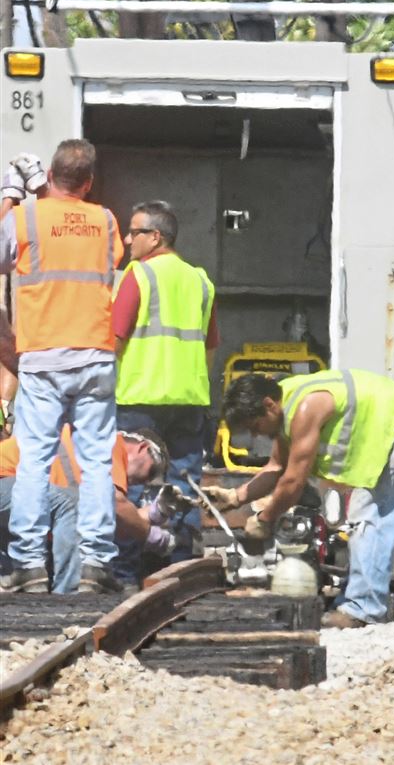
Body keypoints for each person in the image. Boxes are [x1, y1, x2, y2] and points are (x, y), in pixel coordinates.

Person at [207, 370, 394, 628]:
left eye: (254, 427)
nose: (256, 435)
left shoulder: (304, 408)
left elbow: (293, 482)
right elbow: (276, 467)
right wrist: (236, 497)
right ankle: (355, 602)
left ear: (268, 406)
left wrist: (265, 519)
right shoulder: (286, 406)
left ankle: (364, 611)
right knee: (364, 516)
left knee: (374, 517)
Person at [0, 143, 124, 593]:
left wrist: (12, 197)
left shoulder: (24, 218)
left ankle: (29, 565)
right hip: (94, 353)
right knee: (95, 463)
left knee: (34, 459)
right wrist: (47, 196)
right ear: (89, 181)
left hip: (43, 356)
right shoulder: (106, 220)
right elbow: (103, 256)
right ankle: (95, 564)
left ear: (50, 172)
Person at [112, 200, 218, 582]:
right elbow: (210, 344)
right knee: (183, 484)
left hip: (139, 395)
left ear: (155, 237)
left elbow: (115, 338)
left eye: (134, 232)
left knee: (129, 483)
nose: (127, 239)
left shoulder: (137, 275)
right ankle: (181, 569)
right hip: (188, 398)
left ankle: (124, 573)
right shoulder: (201, 280)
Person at [0, 425, 182, 592]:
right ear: (142, 448)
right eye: (151, 472)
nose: (145, 482)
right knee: (69, 503)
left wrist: (156, 513)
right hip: (6, 485)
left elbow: (107, 517)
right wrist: (151, 536)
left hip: (13, 496)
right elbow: (115, 504)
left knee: (72, 506)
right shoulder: (110, 443)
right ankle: (67, 593)